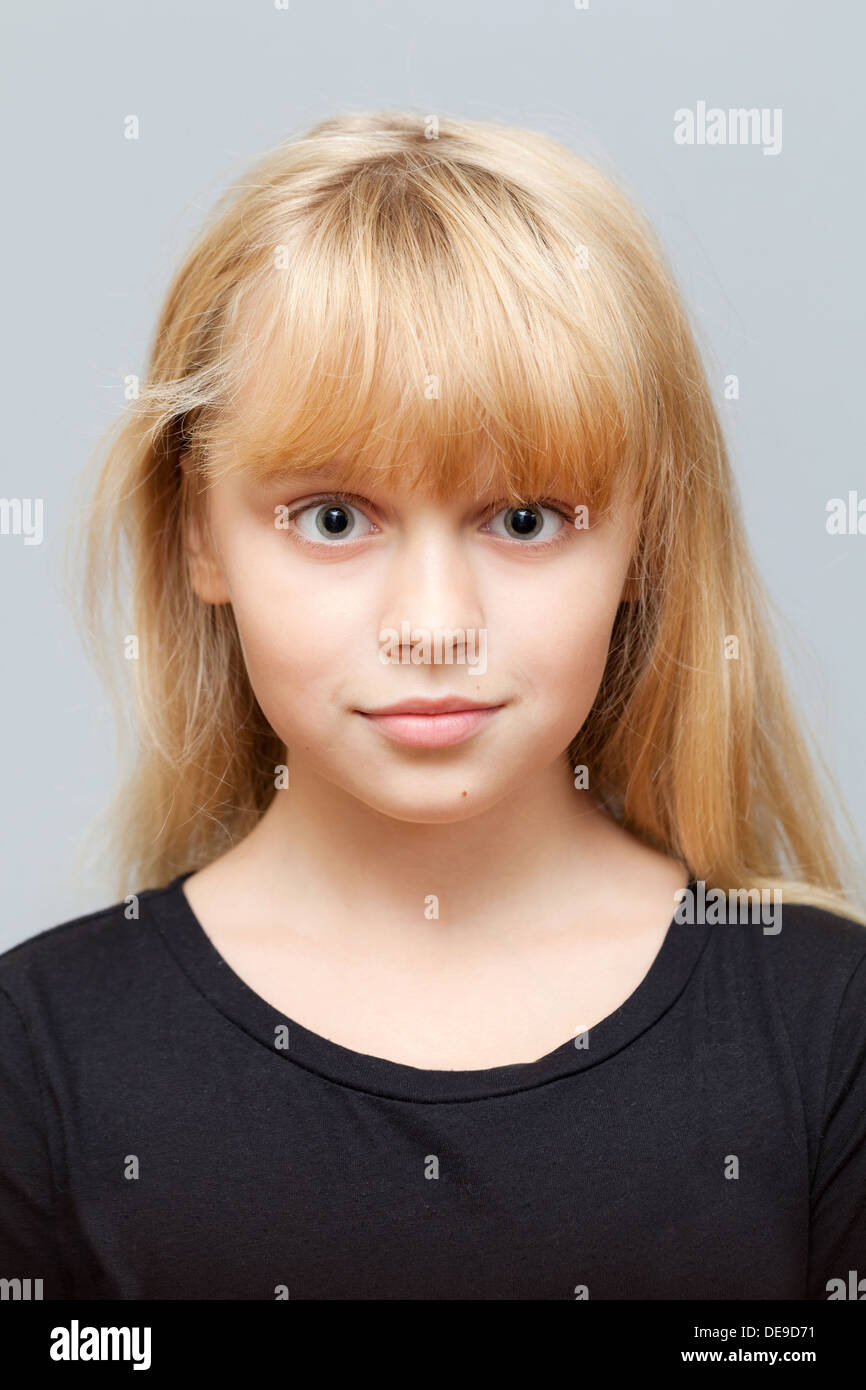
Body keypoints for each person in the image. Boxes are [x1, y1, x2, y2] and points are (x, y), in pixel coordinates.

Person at [1, 109, 864, 1301]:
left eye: (522, 519)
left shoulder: (832, 1036)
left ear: (644, 538)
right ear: (199, 528)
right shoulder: (36, 1060)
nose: (430, 624)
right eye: (334, 518)